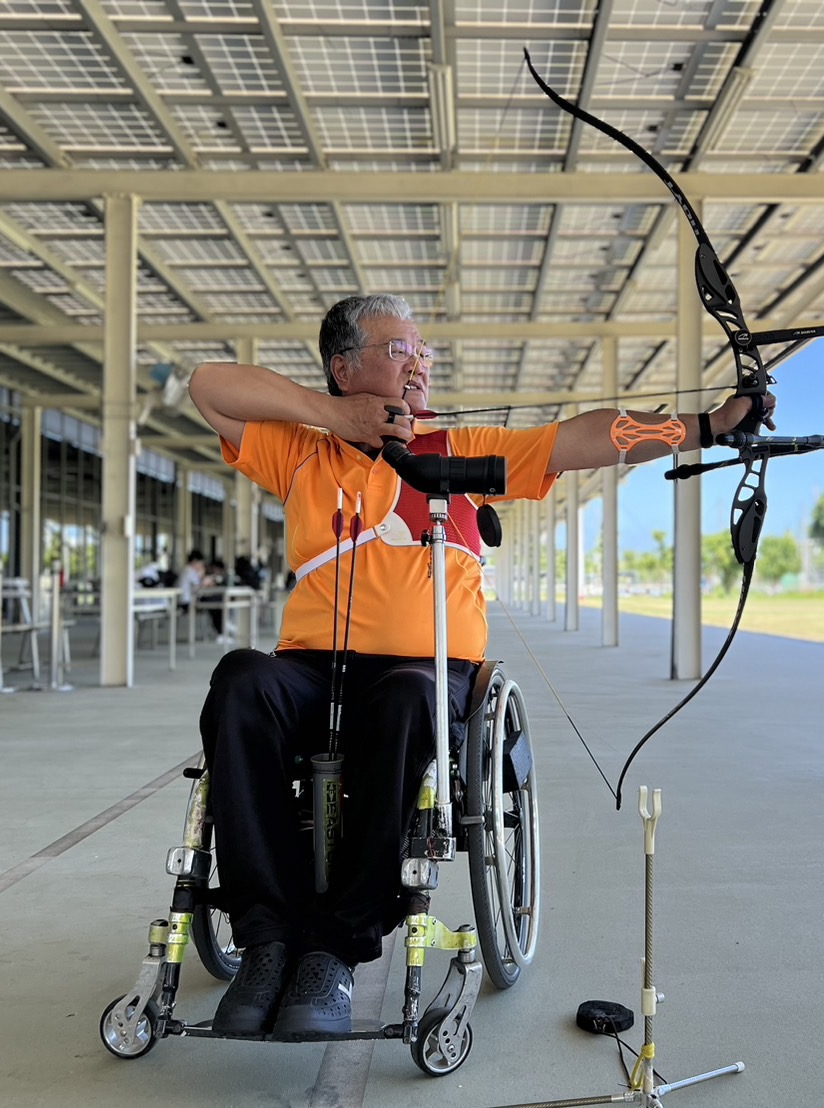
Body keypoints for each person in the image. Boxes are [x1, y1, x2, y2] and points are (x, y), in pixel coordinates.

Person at [187, 293, 774, 1040]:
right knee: (241, 680)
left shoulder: (459, 448)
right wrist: (334, 419)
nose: (420, 360)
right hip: (309, 670)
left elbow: (585, 438)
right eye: (400, 349)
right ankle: (268, 941)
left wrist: (706, 426)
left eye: (423, 349)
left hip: (427, 674)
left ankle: (333, 952)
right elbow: (208, 385)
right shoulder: (303, 448)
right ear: (345, 367)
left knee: (404, 701)